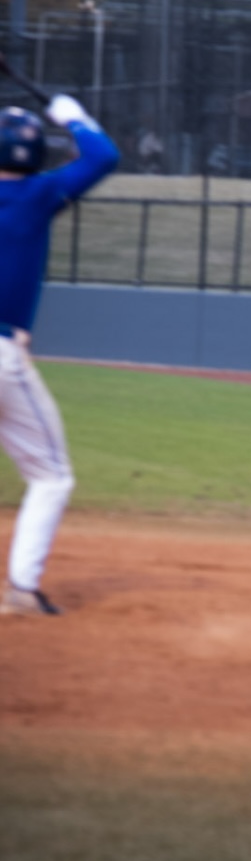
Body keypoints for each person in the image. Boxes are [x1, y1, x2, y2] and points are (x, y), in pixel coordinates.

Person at [0, 96, 119, 616]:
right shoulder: (40, 193)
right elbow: (103, 157)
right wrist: (71, 115)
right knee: (52, 476)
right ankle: (22, 588)